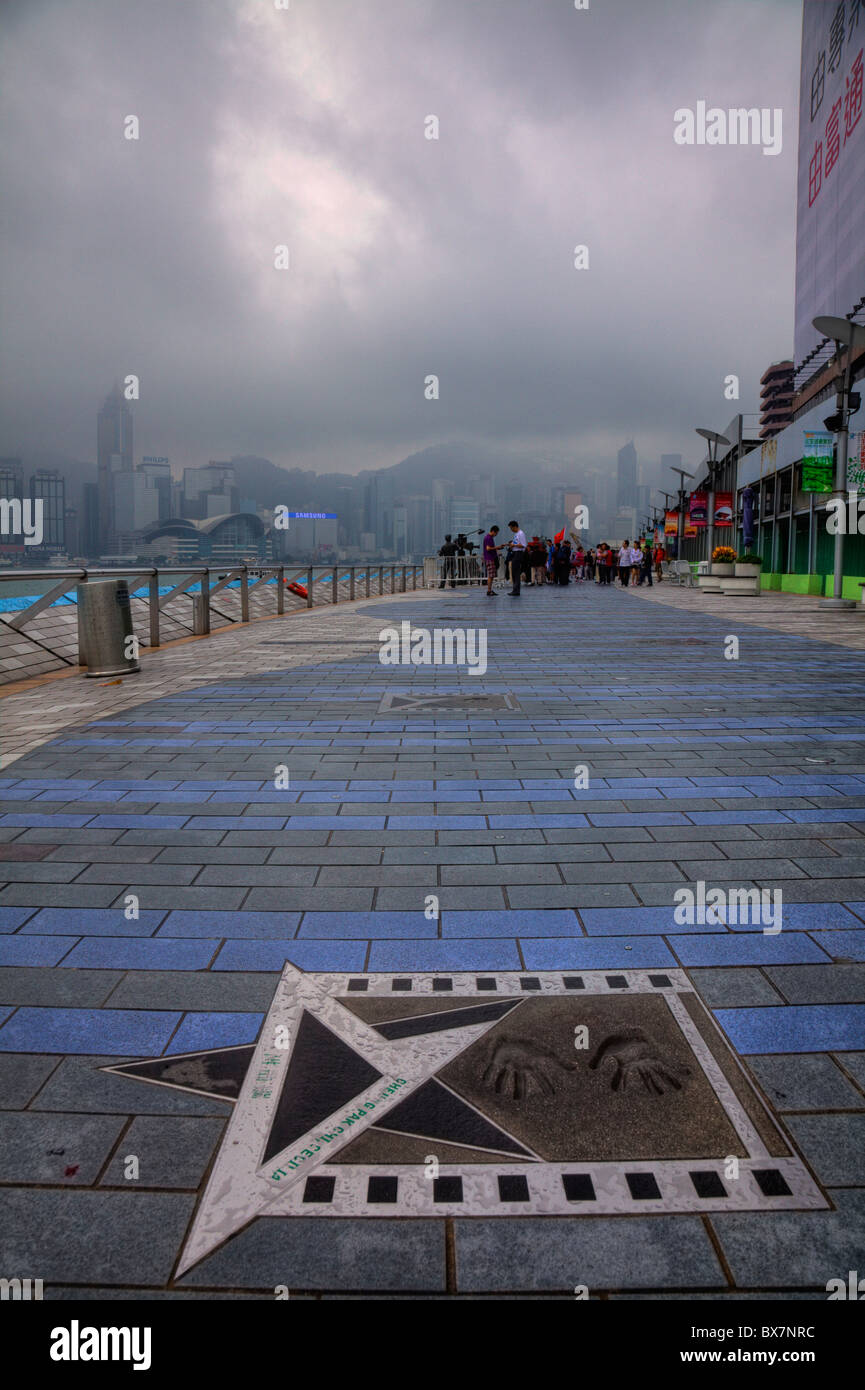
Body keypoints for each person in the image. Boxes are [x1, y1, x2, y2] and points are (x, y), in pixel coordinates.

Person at [507, 520, 527, 595]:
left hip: (518, 553)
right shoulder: (516, 534)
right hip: (515, 553)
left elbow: (523, 545)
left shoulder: (521, 534)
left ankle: (516, 590)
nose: (511, 530)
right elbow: (516, 543)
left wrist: (514, 545)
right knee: (514, 572)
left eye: (511, 528)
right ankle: (515, 589)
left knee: (516, 572)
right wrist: (511, 545)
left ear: (515, 526)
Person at [482, 524, 502, 597]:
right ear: (493, 531)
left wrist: (497, 548)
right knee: (491, 575)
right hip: (489, 558)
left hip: (490, 558)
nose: (496, 534)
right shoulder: (488, 538)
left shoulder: (489, 537)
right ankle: (489, 590)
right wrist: (497, 547)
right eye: (496, 533)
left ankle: (490, 590)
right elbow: (488, 548)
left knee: (492, 575)